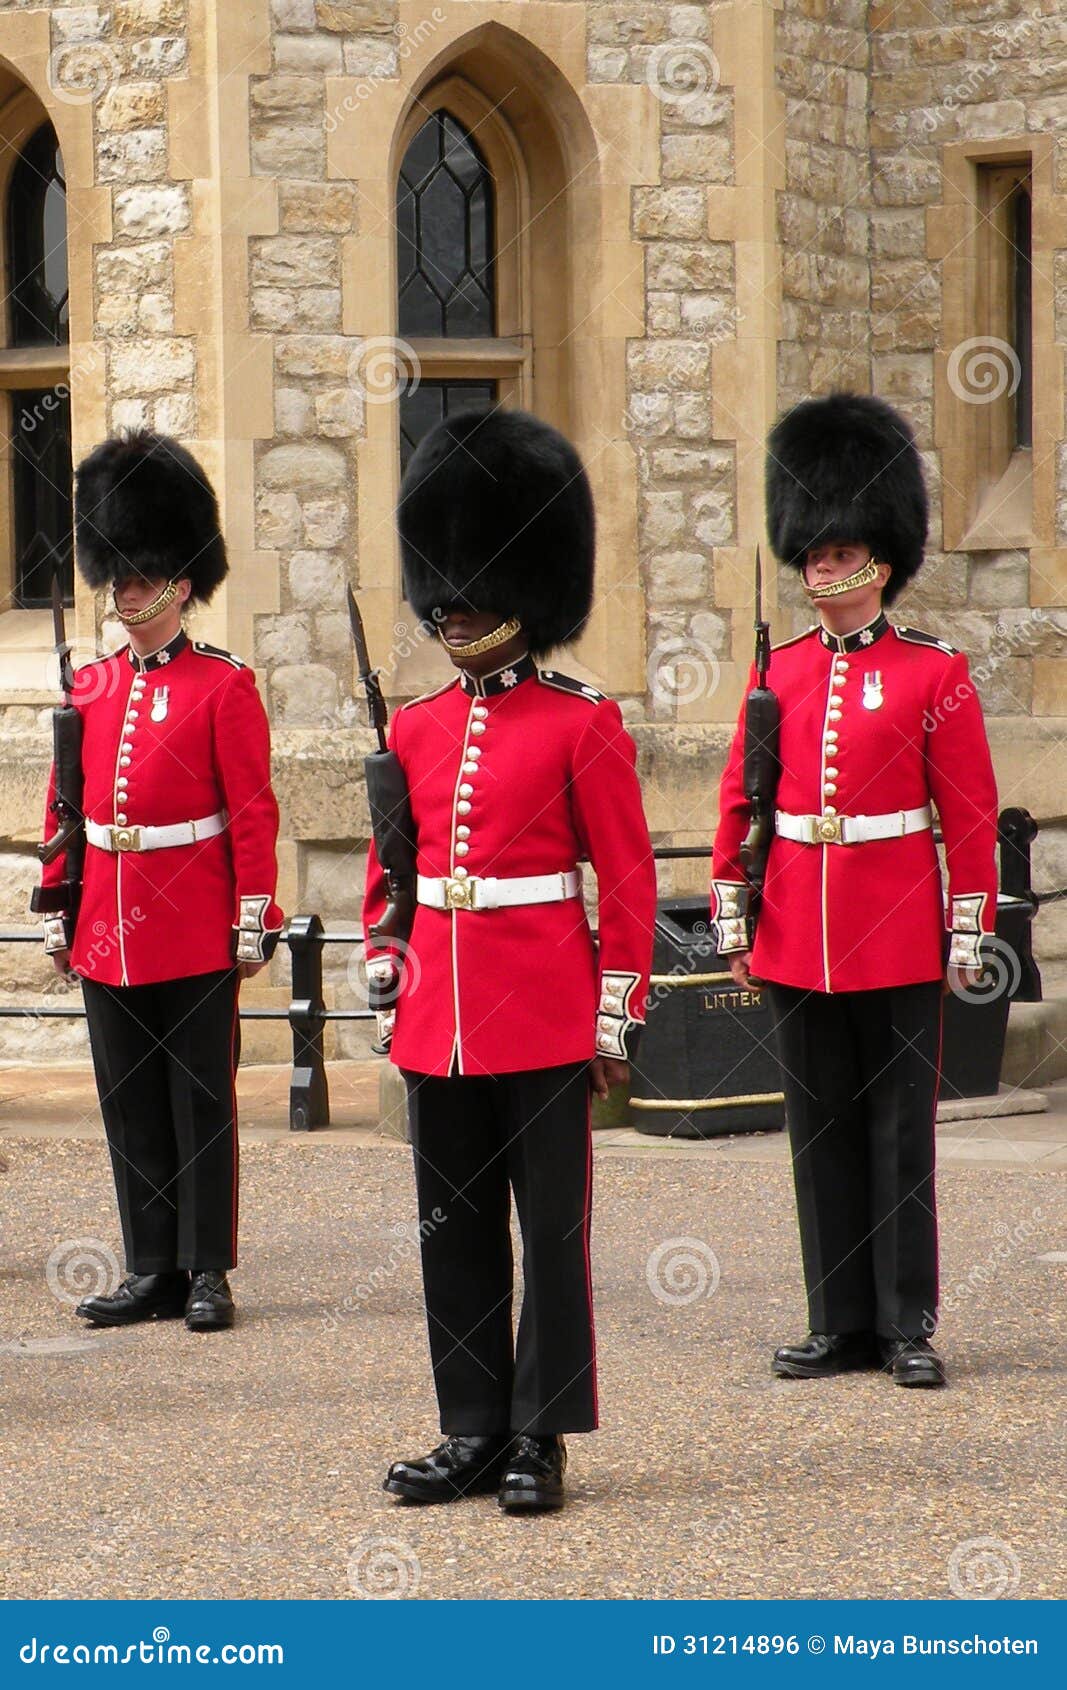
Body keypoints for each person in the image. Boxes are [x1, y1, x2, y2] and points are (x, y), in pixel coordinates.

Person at [362, 407, 657, 1510]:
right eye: (445, 589)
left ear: (518, 595)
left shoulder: (581, 724)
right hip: (439, 1010)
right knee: (453, 1233)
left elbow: (623, 880)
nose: (453, 610)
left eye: (471, 589)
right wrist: (386, 964)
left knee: (551, 1234)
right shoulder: (415, 728)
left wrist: (613, 1013)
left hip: (542, 1011)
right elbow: (394, 879)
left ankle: (543, 1431)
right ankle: (472, 1424)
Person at [710, 392, 998, 1388]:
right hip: (797, 924)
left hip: (896, 932)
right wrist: (730, 905)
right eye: (813, 552)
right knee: (817, 1126)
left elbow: (965, 814)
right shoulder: (778, 674)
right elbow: (740, 802)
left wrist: (968, 926)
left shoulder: (931, 673)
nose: (821, 567)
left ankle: (904, 1321)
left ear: (877, 557)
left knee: (896, 1131)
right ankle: (836, 1318)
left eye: (837, 552)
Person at [37, 430, 284, 1332]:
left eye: (140, 578)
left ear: (180, 583)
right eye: (119, 577)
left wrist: (253, 916)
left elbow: (252, 814)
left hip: (194, 923)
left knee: (200, 1101)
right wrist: (61, 908)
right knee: (130, 1102)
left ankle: (207, 1267)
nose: (124, 592)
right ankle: (152, 1269)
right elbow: (64, 813)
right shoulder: (91, 688)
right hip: (108, 919)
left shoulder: (223, 688)